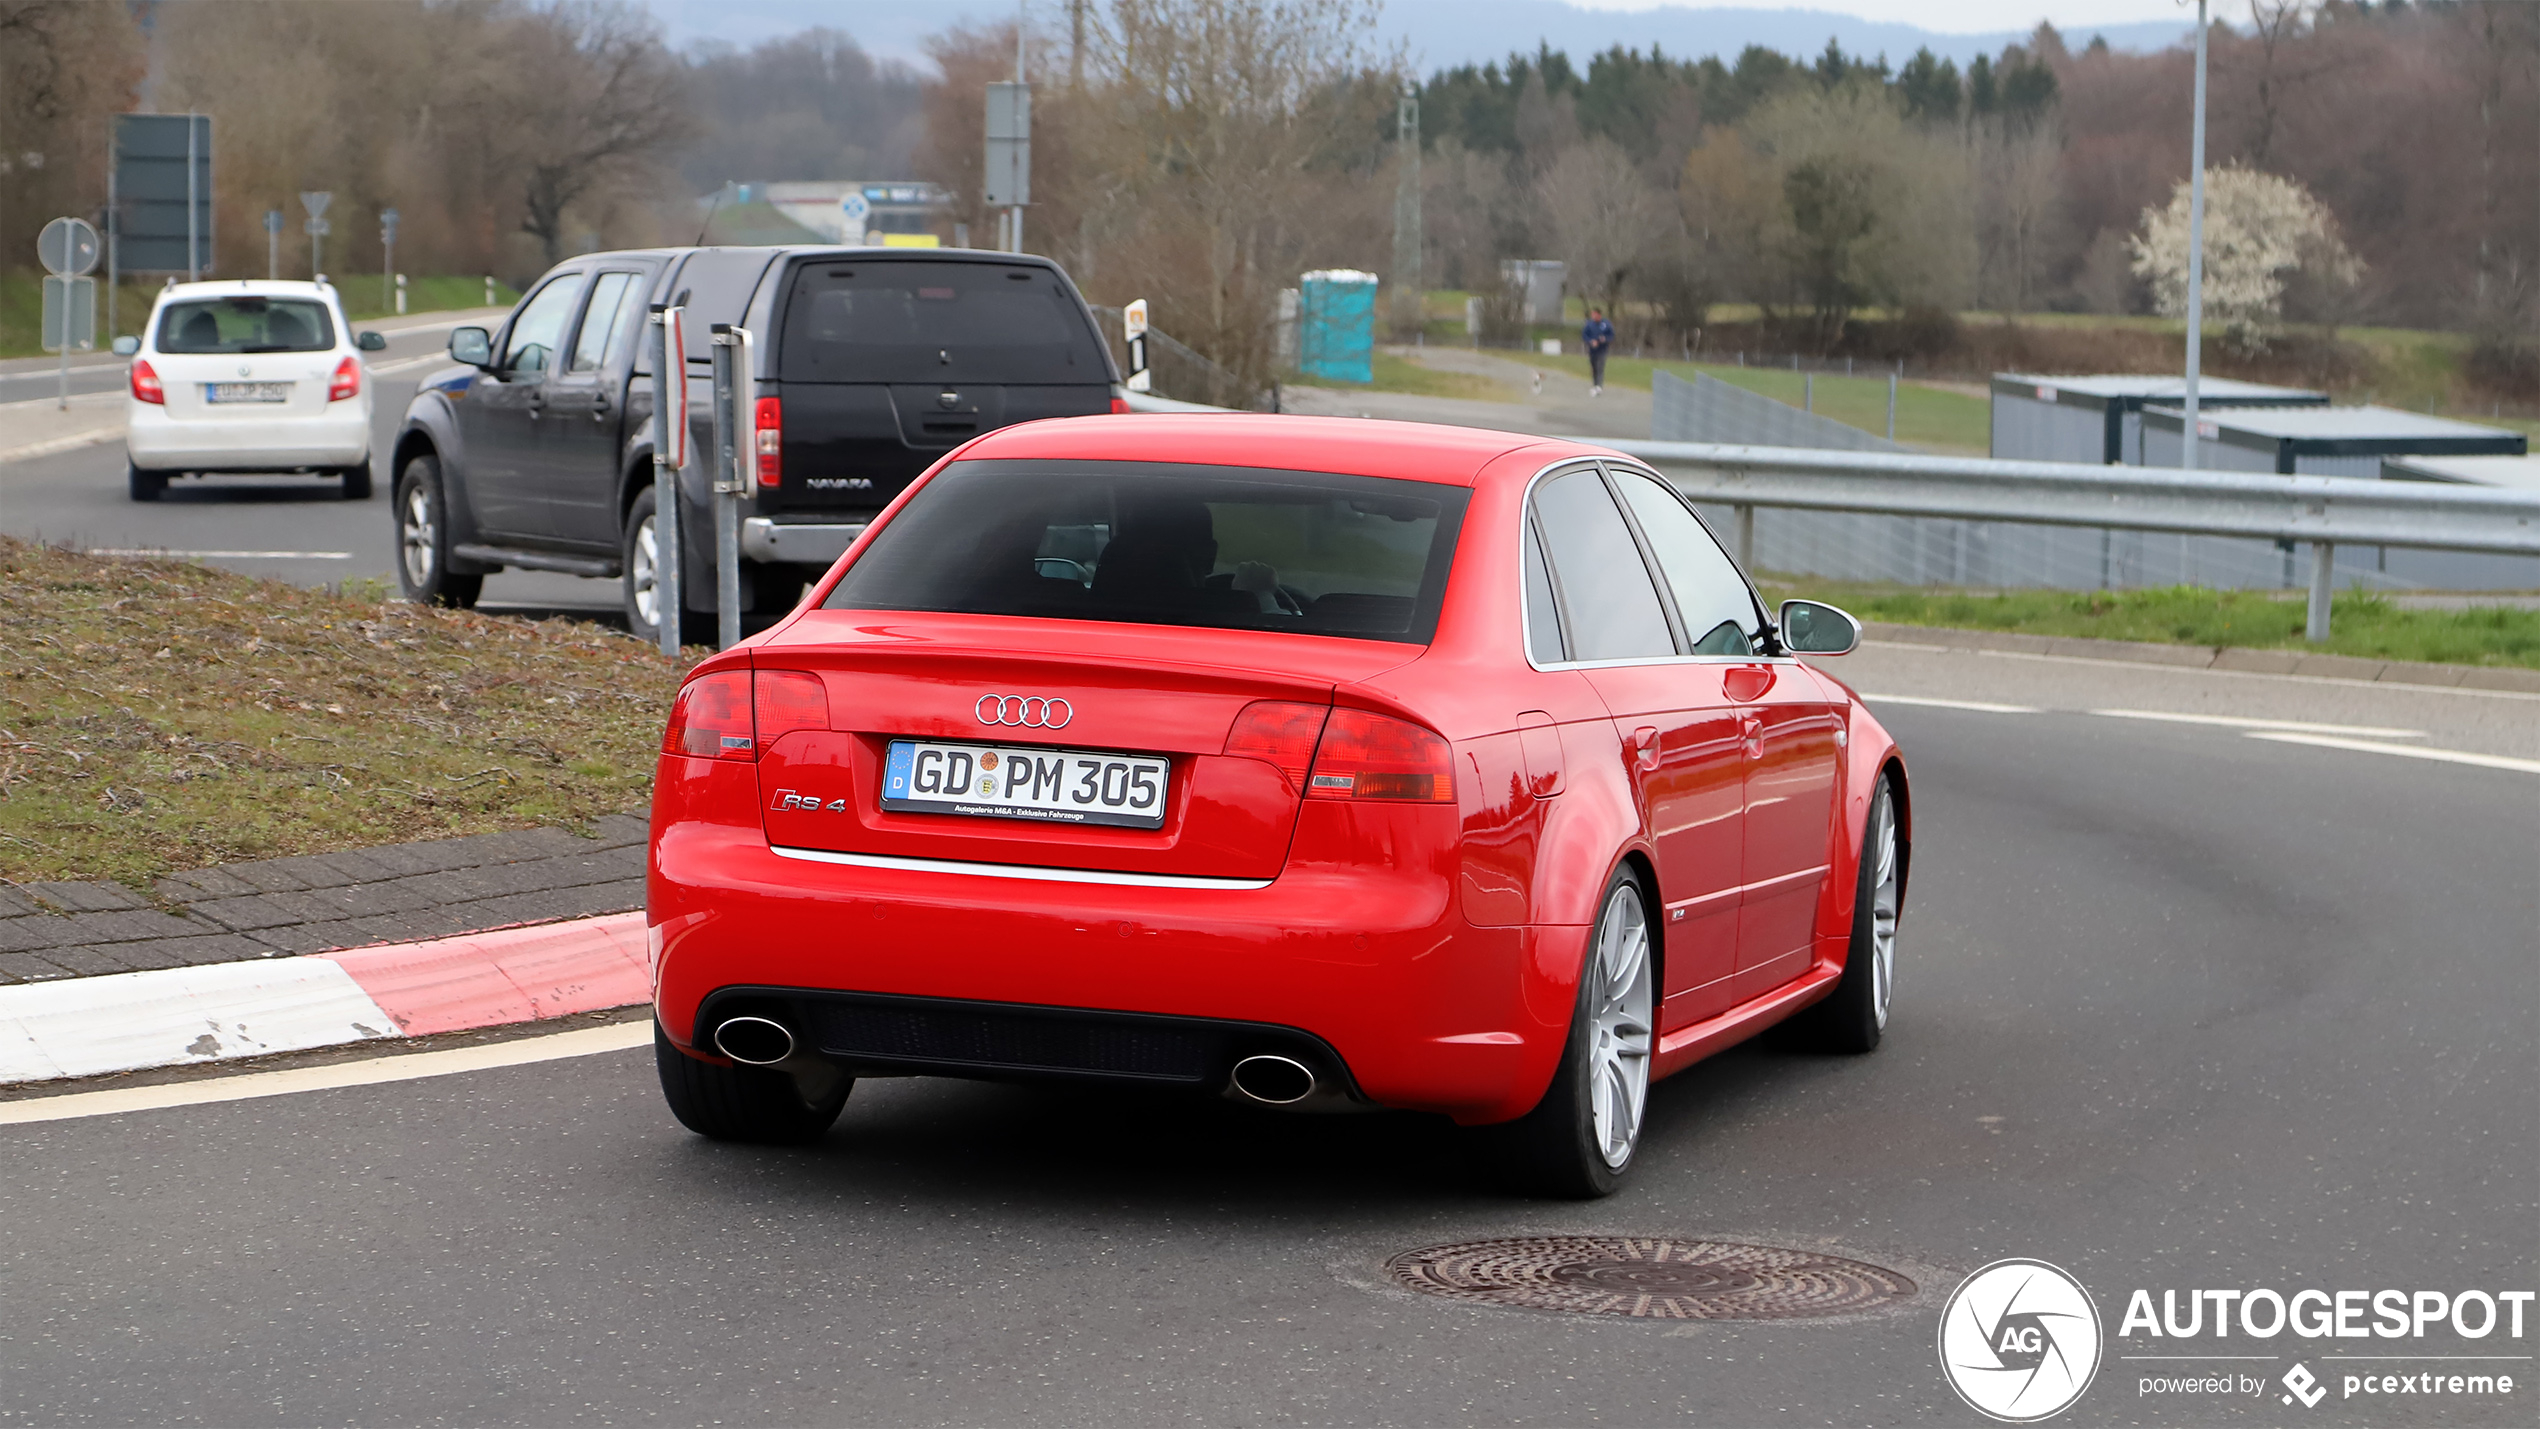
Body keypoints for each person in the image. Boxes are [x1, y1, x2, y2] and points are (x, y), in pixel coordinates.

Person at [1582, 306, 1615, 396]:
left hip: (1602, 350)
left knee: (1600, 367)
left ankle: (1599, 386)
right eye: (1592, 314)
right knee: (1594, 368)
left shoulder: (1606, 324)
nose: (1593, 316)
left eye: (1594, 314)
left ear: (1599, 315)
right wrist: (1590, 341)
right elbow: (1584, 335)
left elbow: (1611, 336)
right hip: (1592, 350)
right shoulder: (1589, 324)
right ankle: (1595, 384)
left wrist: (1604, 339)